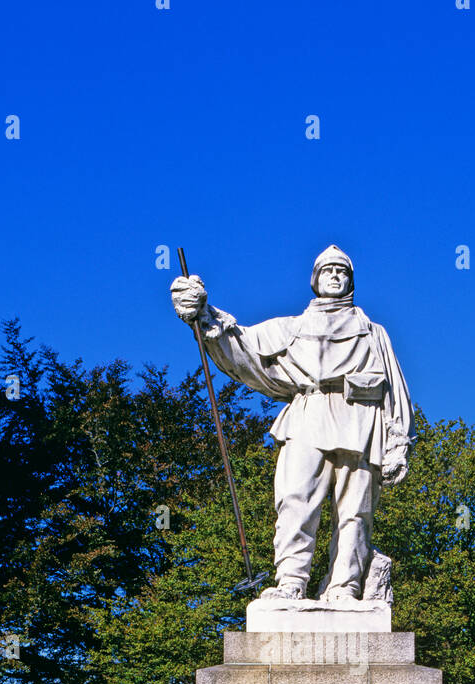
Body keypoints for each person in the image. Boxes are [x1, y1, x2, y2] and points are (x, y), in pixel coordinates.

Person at [170, 246, 413, 602]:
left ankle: (345, 586)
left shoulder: (373, 333)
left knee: (355, 512)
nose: (335, 276)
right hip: (308, 413)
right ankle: (291, 581)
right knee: (295, 499)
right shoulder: (292, 329)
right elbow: (241, 345)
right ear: (315, 280)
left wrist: (397, 443)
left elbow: (395, 391)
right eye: (327, 270)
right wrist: (202, 313)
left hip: (361, 419)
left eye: (342, 271)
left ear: (350, 280)